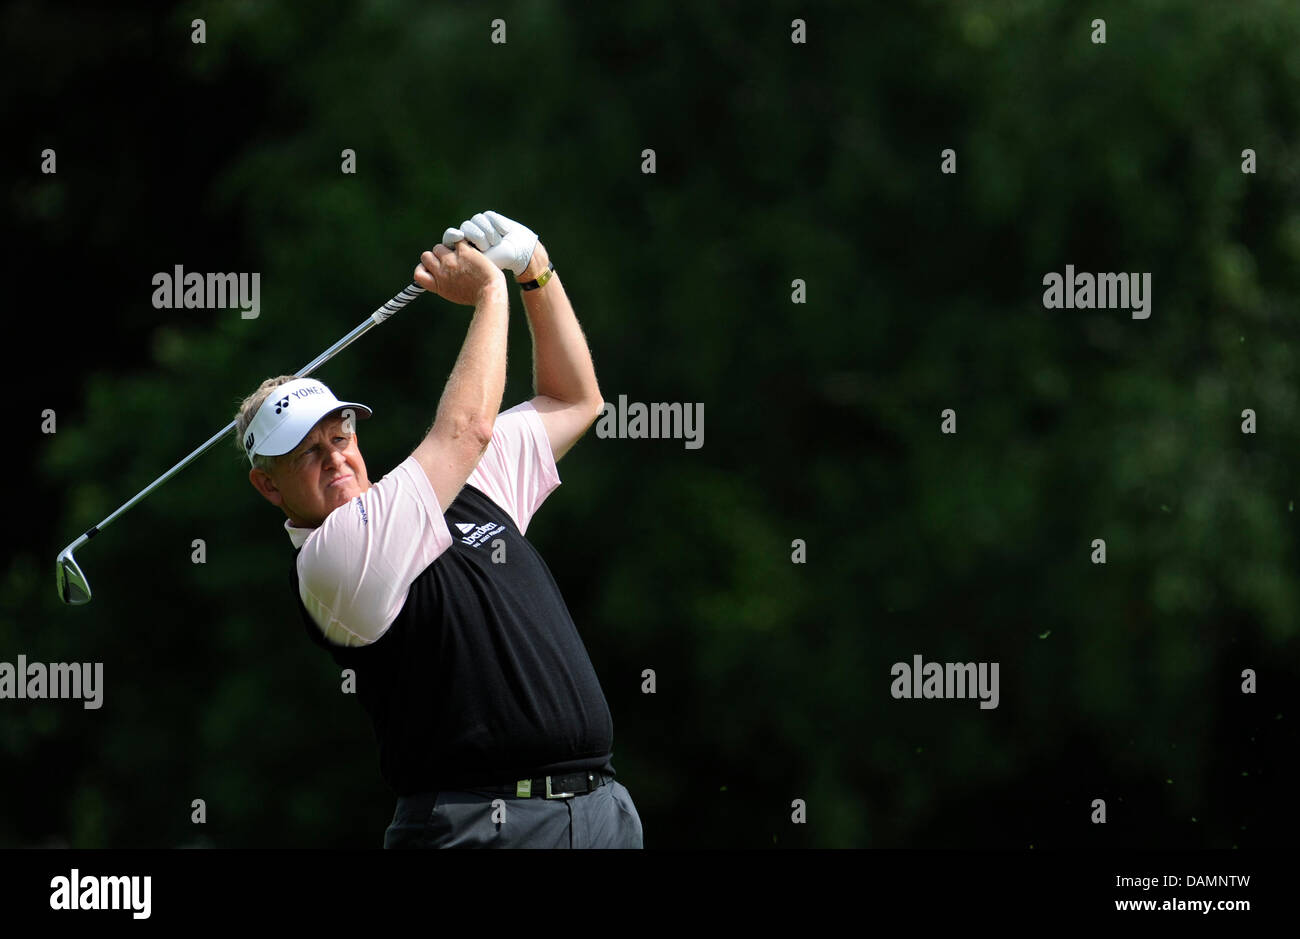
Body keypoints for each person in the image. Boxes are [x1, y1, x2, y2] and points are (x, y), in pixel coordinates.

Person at [234, 211, 643, 848]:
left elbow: (575, 400)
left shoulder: (463, 493)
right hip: (480, 828)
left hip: (599, 812)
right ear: (268, 486)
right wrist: (488, 294)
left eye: (340, 437)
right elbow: (468, 430)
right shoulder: (330, 559)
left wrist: (537, 268)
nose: (336, 457)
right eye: (307, 454)